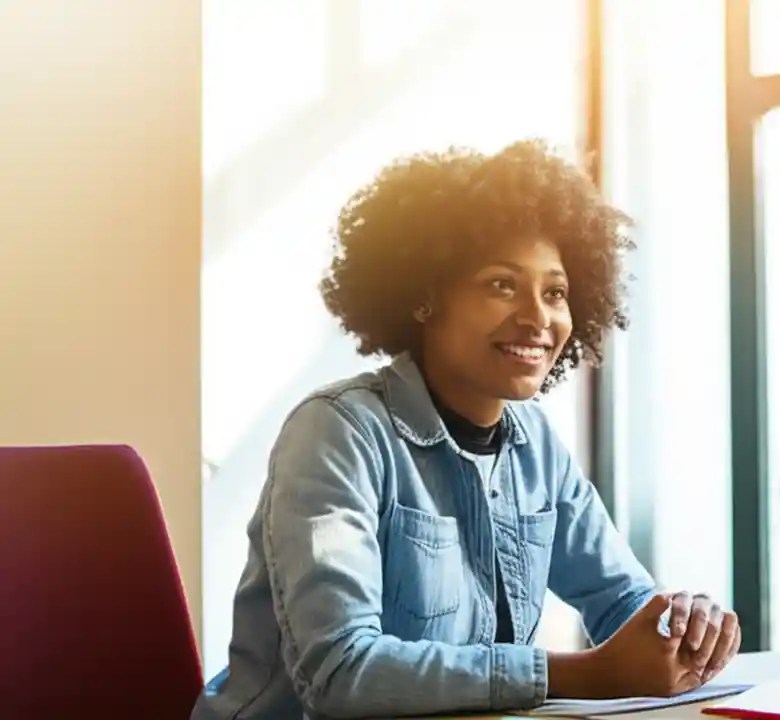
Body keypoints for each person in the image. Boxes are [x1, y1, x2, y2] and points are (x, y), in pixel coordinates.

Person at [192, 141, 741, 719]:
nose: (537, 316)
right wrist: (587, 674)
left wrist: (681, 628)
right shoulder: (337, 433)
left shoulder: (535, 446)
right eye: (502, 285)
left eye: (555, 292)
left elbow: (624, 603)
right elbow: (341, 672)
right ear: (424, 297)